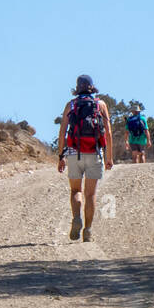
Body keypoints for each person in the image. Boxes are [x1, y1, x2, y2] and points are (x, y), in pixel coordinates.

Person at [56, 74, 112, 242]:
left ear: (77, 88)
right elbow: (108, 132)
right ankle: (87, 231)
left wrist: (61, 156)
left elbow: (62, 132)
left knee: (75, 191)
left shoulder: (71, 105)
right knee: (90, 194)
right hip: (94, 152)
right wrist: (109, 157)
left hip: (74, 152)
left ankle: (76, 219)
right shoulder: (100, 104)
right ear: (92, 87)